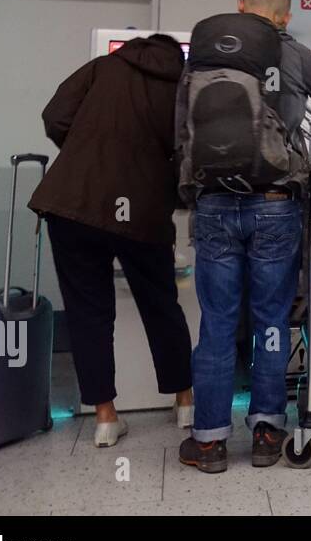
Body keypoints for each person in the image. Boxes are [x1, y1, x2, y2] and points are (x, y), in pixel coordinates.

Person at [178, 0, 311, 473]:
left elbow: (180, 129)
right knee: (272, 322)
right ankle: (266, 431)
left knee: (216, 322)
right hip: (277, 202)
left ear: (239, 6)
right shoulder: (291, 51)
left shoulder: (205, 55)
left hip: (213, 202)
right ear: (285, 15)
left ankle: (209, 441)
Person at [29, 34, 193, 447]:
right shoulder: (181, 86)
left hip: (73, 203)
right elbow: (186, 150)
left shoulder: (103, 67)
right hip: (141, 209)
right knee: (161, 305)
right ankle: (185, 401)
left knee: (88, 312)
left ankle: (105, 417)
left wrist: (89, 152)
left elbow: (55, 115)